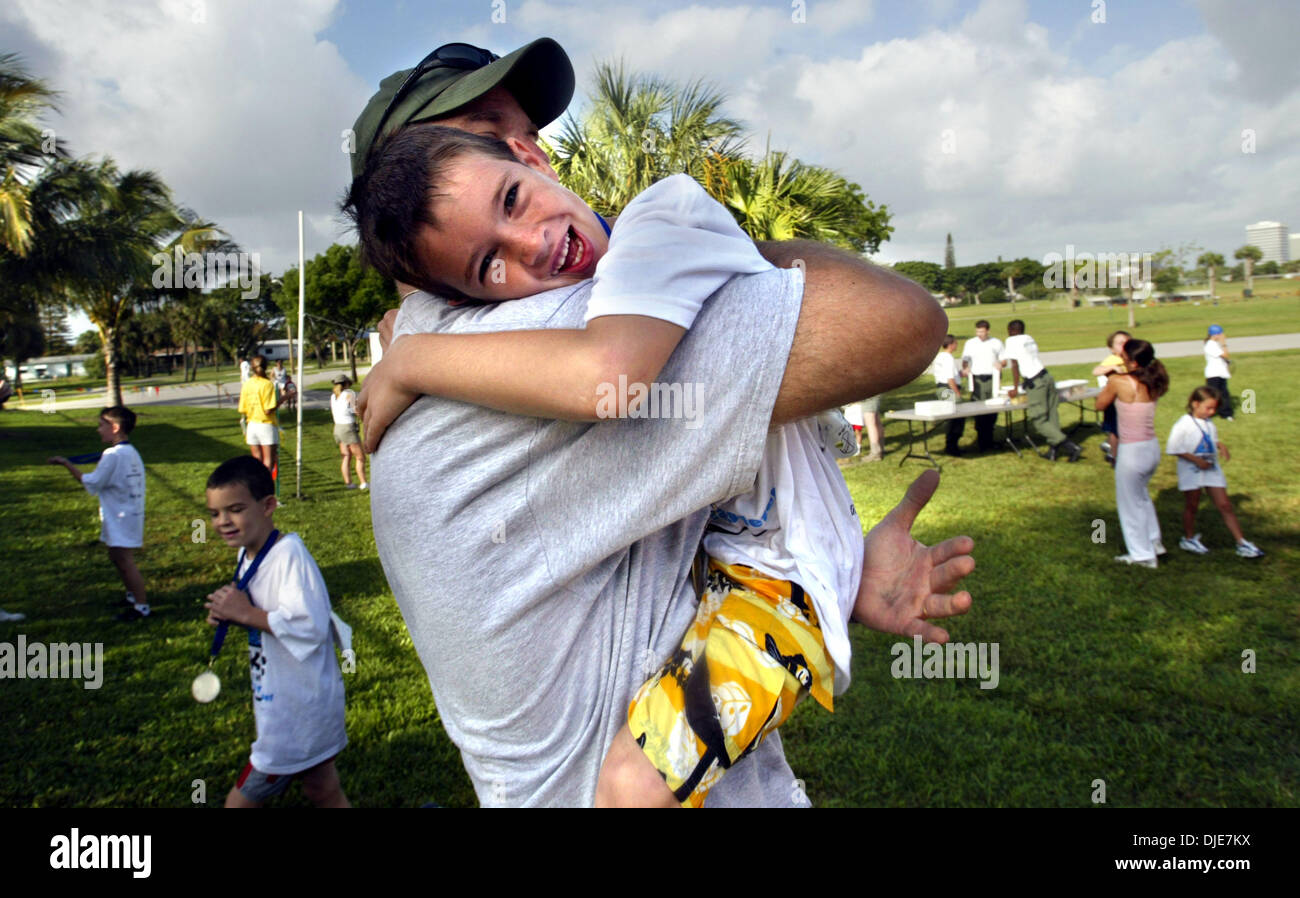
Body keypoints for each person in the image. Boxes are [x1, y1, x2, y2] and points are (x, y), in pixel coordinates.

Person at [345, 39, 973, 807]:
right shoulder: (538, 336)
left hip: (753, 592)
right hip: (749, 606)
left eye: (521, 140)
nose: (530, 147)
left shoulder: (475, 342)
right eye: (481, 128)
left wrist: (411, 358)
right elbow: (900, 321)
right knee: (634, 788)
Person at [203, 456, 350, 808]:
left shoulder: (288, 555)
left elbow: (310, 628)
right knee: (322, 791)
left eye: (235, 509)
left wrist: (247, 613)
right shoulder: (248, 554)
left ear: (268, 505)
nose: (223, 521)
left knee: (238, 803)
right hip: (289, 701)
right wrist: (232, 612)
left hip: (296, 714)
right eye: (214, 513)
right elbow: (259, 609)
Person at [47, 406, 149, 621]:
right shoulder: (130, 451)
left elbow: (91, 482)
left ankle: (142, 606)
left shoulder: (113, 455)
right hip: (128, 513)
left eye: (101, 425)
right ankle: (132, 596)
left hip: (122, 516)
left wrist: (66, 464)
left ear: (115, 427)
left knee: (124, 560)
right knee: (116, 556)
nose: (98, 430)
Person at [1166, 386, 1264, 558]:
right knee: (1192, 504)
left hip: (1211, 469)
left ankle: (1241, 542)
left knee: (1225, 505)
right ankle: (1188, 539)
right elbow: (1173, 448)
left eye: (1214, 408)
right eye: (1208, 408)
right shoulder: (1183, 424)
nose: (1211, 412)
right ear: (1195, 404)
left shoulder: (1209, 423)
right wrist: (1197, 461)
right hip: (1192, 470)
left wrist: (1220, 445)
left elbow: (1210, 438)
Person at [1095, 339, 1168, 568]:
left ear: (1133, 362)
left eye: (1124, 357)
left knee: (1129, 504)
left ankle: (1142, 555)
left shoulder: (1120, 382)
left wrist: (1110, 375)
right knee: (1142, 497)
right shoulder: (1154, 380)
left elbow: (1100, 404)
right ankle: (1154, 542)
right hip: (1151, 447)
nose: (1121, 360)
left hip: (1132, 451)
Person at [1004, 319, 1082, 462]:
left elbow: (1014, 365)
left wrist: (1015, 388)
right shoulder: (1029, 338)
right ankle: (1053, 451)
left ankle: (1070, 446)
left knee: (1038, 418)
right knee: (1052, 415)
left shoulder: (1011, 341)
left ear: (1011, 330)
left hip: (1035, 382)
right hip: (1046, 376)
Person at [960, 320, 1003, 452]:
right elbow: (965, 360)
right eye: (977, 331)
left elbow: (1004, 359)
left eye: (982, 332)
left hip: (991, 379)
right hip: (977, 379)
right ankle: (981, 439)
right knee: (978, 407)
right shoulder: (971, 343)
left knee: (992, 408)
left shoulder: (996, 343)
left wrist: (1001, 364)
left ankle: (989, 437)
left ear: (988, 331)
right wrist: (966, 369)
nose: (979, 334)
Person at [1091, 330, 1130, 466]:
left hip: (1127, 399)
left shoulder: (1130, 358)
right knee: (1115, 430)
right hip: (1114, 400)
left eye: (1127, 342)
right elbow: (1096, 371)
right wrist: (1112, 367)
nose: (1124, 346)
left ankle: (1119, 451)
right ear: (1112, 348)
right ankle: (1114, 455)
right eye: (1120, 343)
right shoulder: (1113, 360)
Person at [238, 355, 282, 473]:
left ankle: (257, 489)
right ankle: (265, 489)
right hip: (265, 425)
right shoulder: (267, 384)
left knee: (257, 462)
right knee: (269, 462)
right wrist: (284, 398)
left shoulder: (247, 384)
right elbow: (268, 410)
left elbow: (242, 408)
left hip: (252, 425)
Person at [330, 374, 368, 490]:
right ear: (346, 384)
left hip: (337, 427)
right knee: (360, 457)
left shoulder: (333, 396)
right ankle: (363, 482)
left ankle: (349, 483)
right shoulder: (349, 394)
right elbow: (356, 410)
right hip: (348, 427)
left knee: (346, 456)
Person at [932, 335, 965, 456]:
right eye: (956, 343)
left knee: (951, 416)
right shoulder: (949, 358)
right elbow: (950, 379)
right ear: (951, 344)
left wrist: (961, 375)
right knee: (956, 416)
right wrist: (957, 393)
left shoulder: (940, 356)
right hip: (948, 389)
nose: (957, 345)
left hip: (942, 388)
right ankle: (952, 445)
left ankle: (951, 444)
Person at [1203, 324, 1233, 420]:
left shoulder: (1215, 344)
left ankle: (1226, 414)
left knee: (1224, 394)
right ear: (1215, 335)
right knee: (1212, 396)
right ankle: (1206, 414)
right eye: (1220, 334)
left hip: (1220, 373)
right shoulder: (1210, 345)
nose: (1222, 336)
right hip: (1213, 375)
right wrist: (1224, 343)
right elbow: (1226, 355)